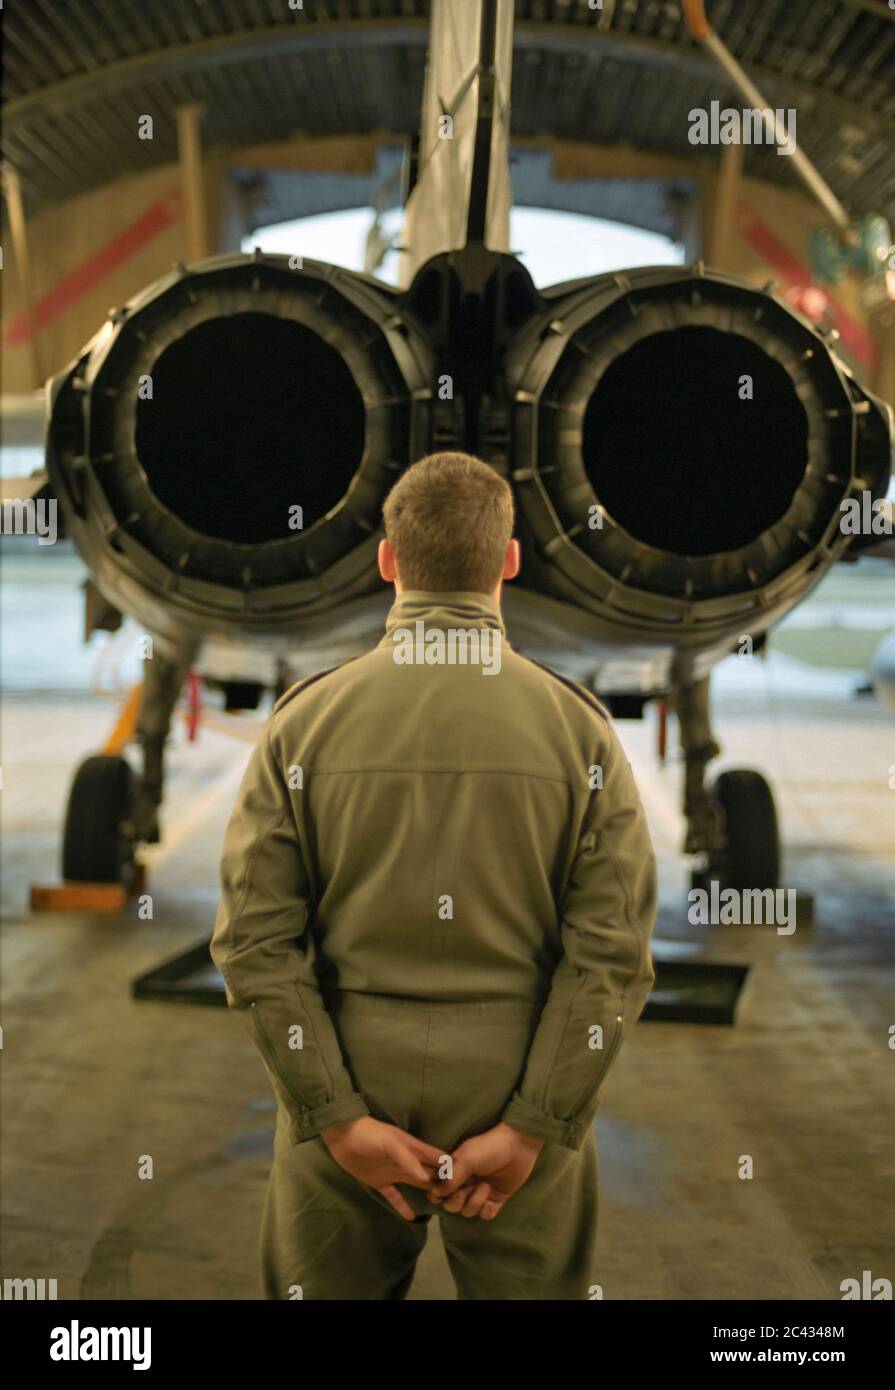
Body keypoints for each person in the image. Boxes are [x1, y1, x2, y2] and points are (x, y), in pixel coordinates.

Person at [210, 450, 657, 1300]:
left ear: (387, 562)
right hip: (520, 1071)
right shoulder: (581, 732)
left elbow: (252, 943)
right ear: (510, 561)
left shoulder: (302, 724)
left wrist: (334, 1117)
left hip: (348, 1068)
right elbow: (612, 955)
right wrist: (532, 1126)